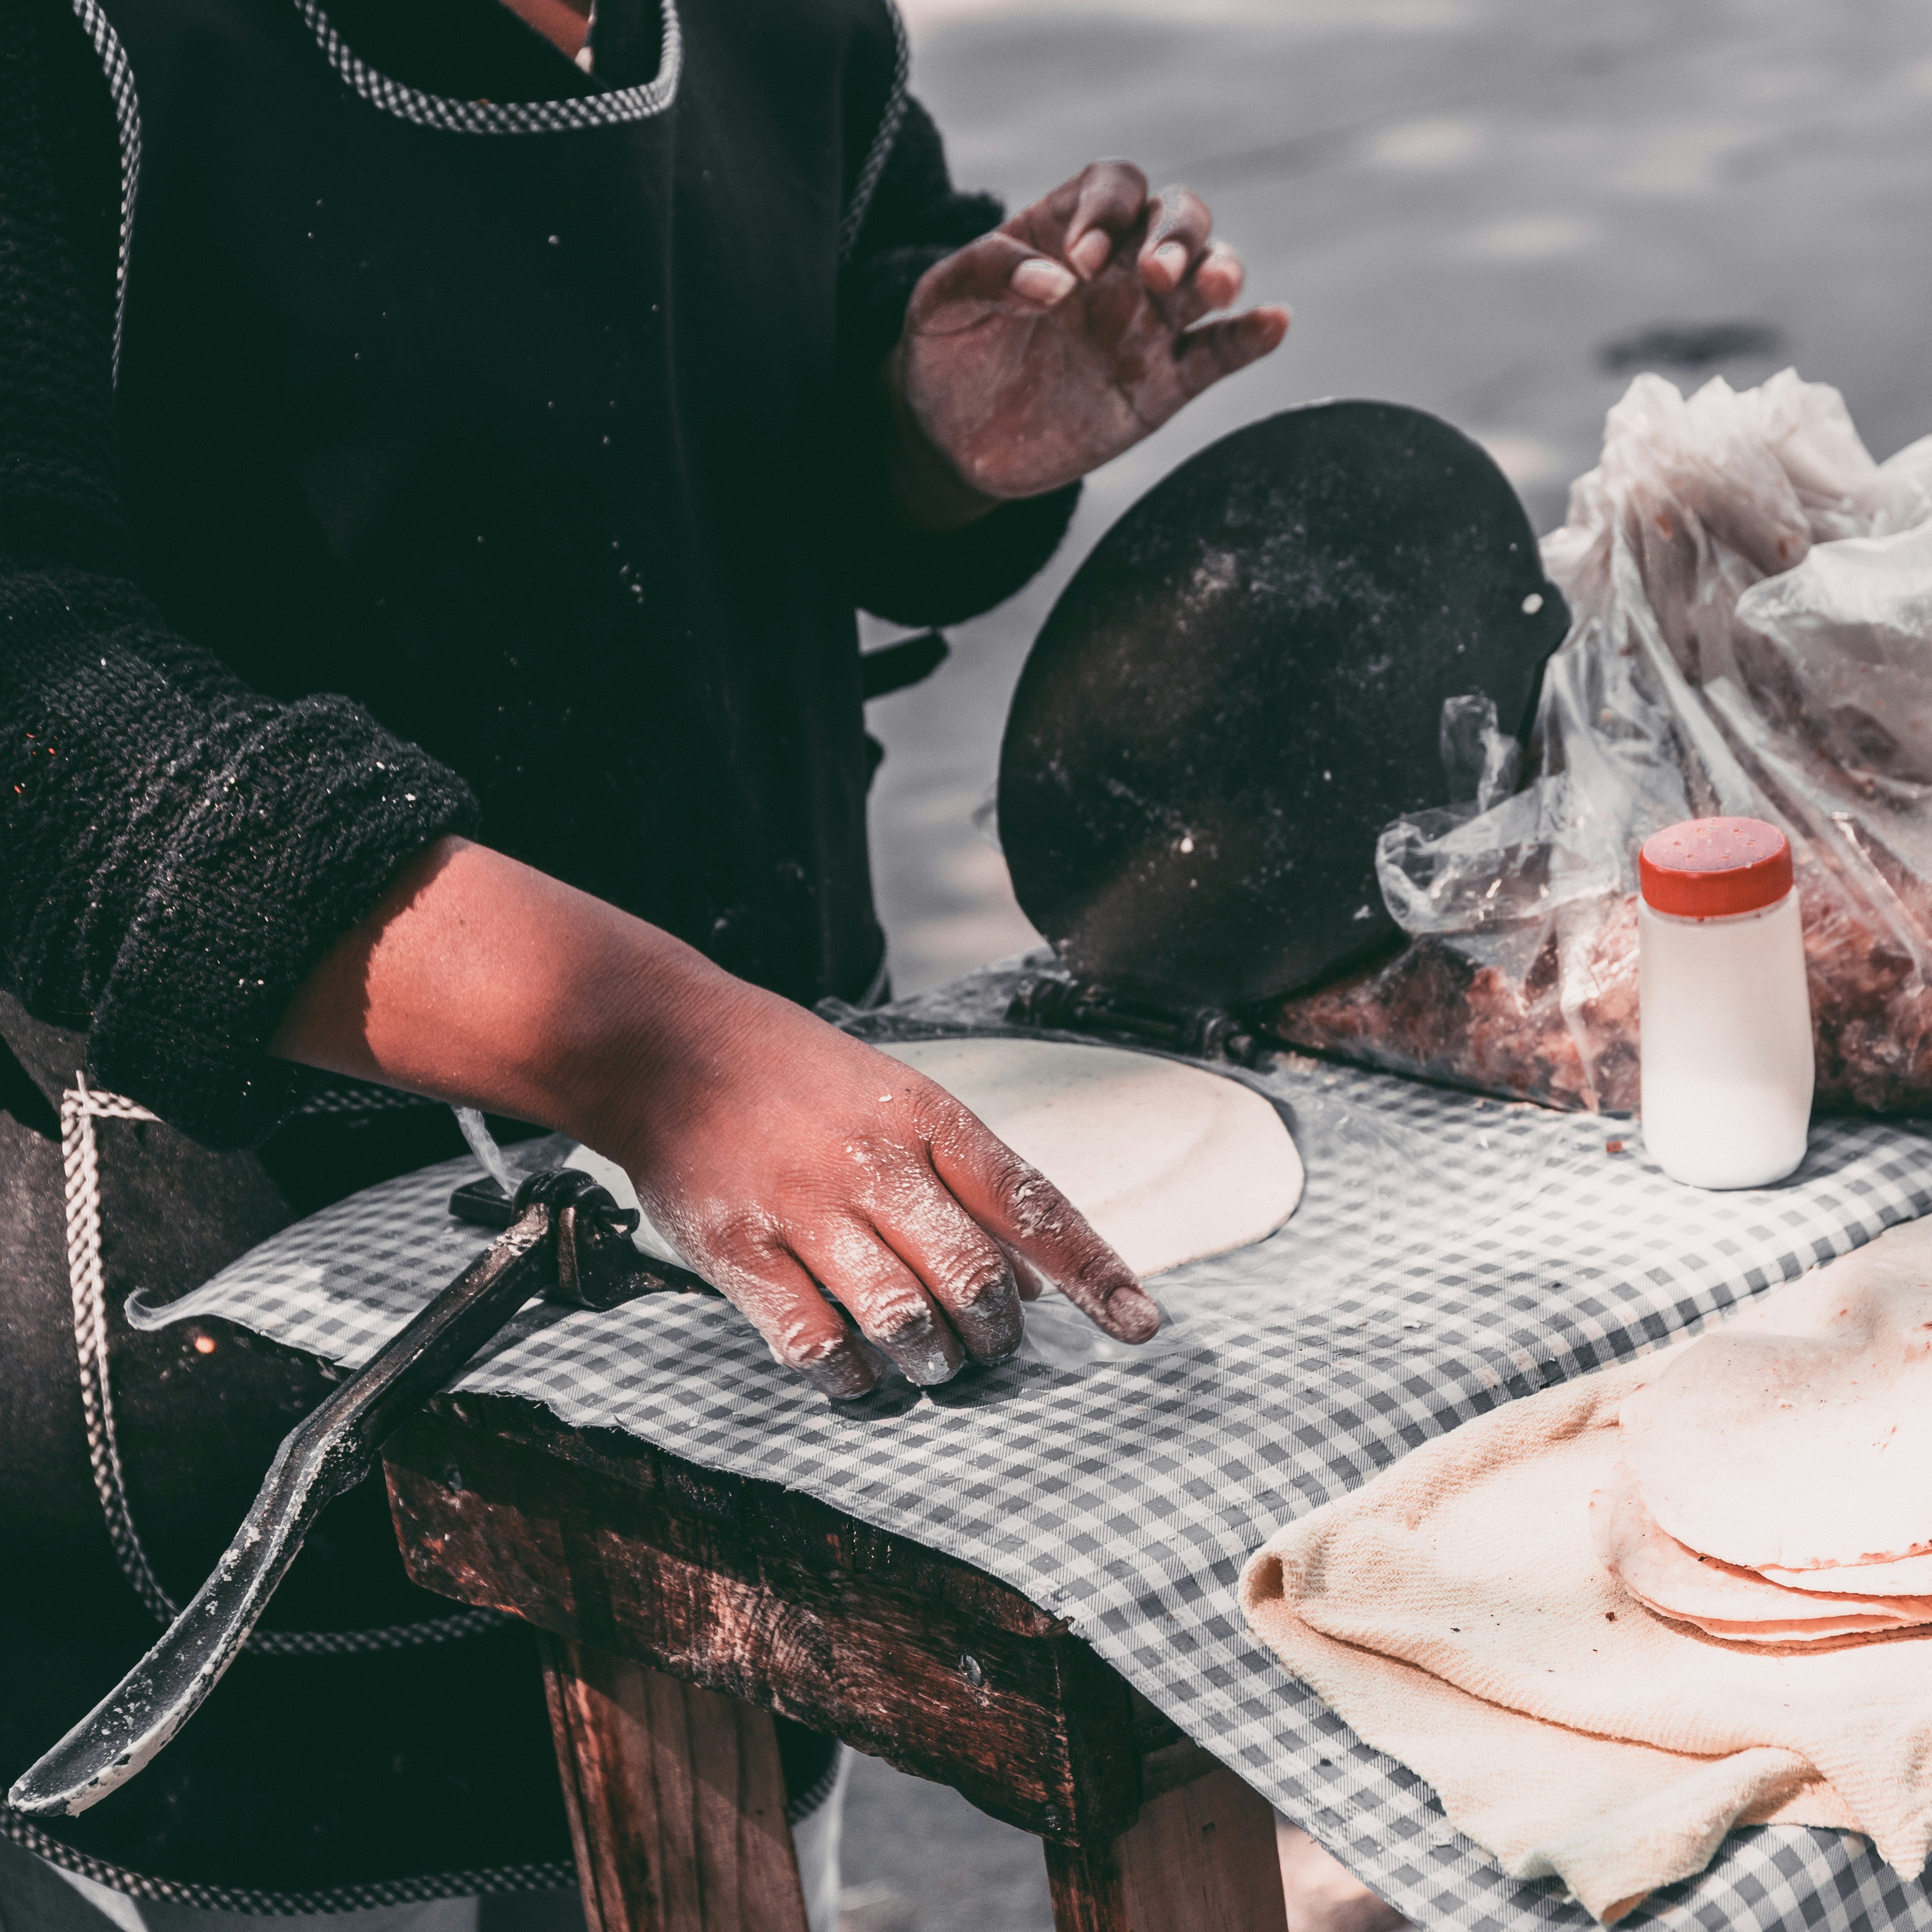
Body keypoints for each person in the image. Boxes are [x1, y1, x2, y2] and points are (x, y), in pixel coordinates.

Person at [0, 0, 1296, 1922]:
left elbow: (772, 404)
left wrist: (936, 431)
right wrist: (656, 1052)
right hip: (233, 1376)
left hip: (747, 1285)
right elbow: (39, 699)